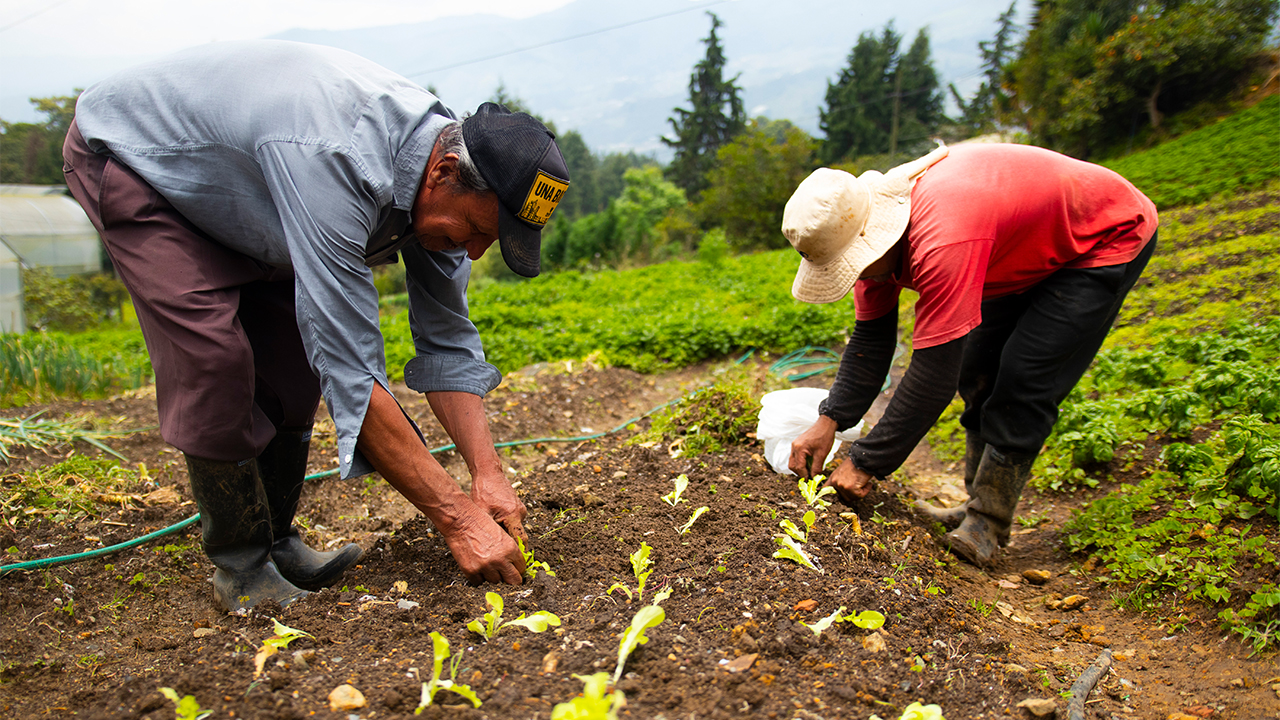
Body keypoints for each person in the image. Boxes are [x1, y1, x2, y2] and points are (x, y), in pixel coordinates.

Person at [62, 40, 571, 611]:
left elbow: (448, 340)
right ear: (444, 172)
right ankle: (242, 566)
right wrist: (458, 520)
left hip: (252, 180)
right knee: (215, 357)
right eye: (477, 231)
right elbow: (352, 370)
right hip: (140, 160)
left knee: (289, 364)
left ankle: (277, 541)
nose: (475, 253)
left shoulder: (443, 182)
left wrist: (488, 475)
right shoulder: (336, 159)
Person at [782, 142, 1157, 567]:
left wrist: (865, 463)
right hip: (1014, 242)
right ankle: (974, 502)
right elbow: (871, 344)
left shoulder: (943, 239)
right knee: (978, 369)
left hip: (1101, 234)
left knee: (1022, 377)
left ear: (871, 242)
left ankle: (989, 520)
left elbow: (932, 376)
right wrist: (829, 419)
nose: (851, 274)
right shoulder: (871, 250)